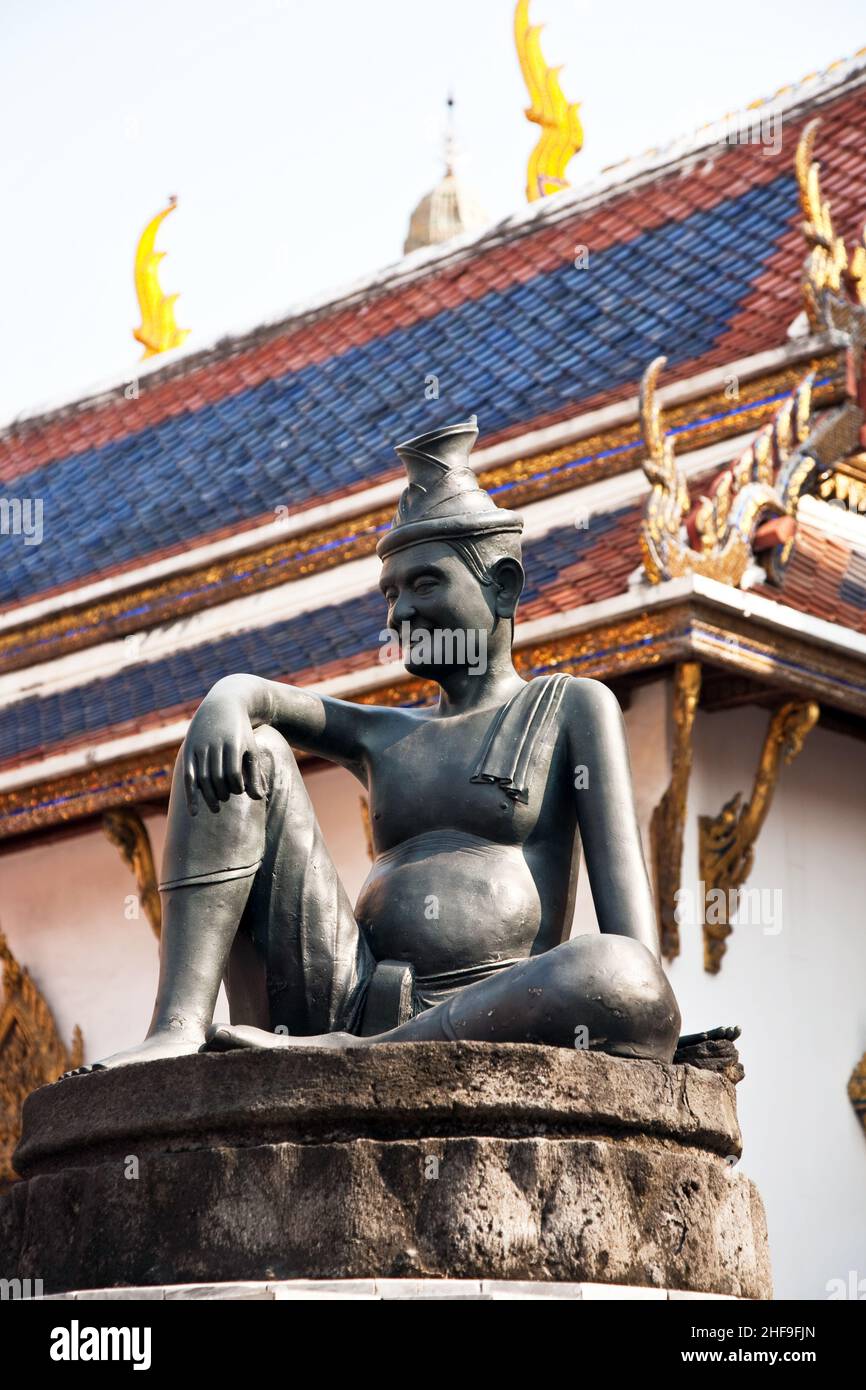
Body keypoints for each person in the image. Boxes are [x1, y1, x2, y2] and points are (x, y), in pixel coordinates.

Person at [83, 416, 680, 1072]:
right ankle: (179, 1025)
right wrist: (225, 698)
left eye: (425, 583)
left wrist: (654, 1014)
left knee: (623, 971)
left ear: (504, 585)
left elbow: (637, 954)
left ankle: (364, 1055)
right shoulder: (386, 732)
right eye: (389, 594)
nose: (399, 614)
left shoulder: (570, 707)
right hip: (341, 992)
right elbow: (267, 699)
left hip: (495, 1005)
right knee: (245, 751)